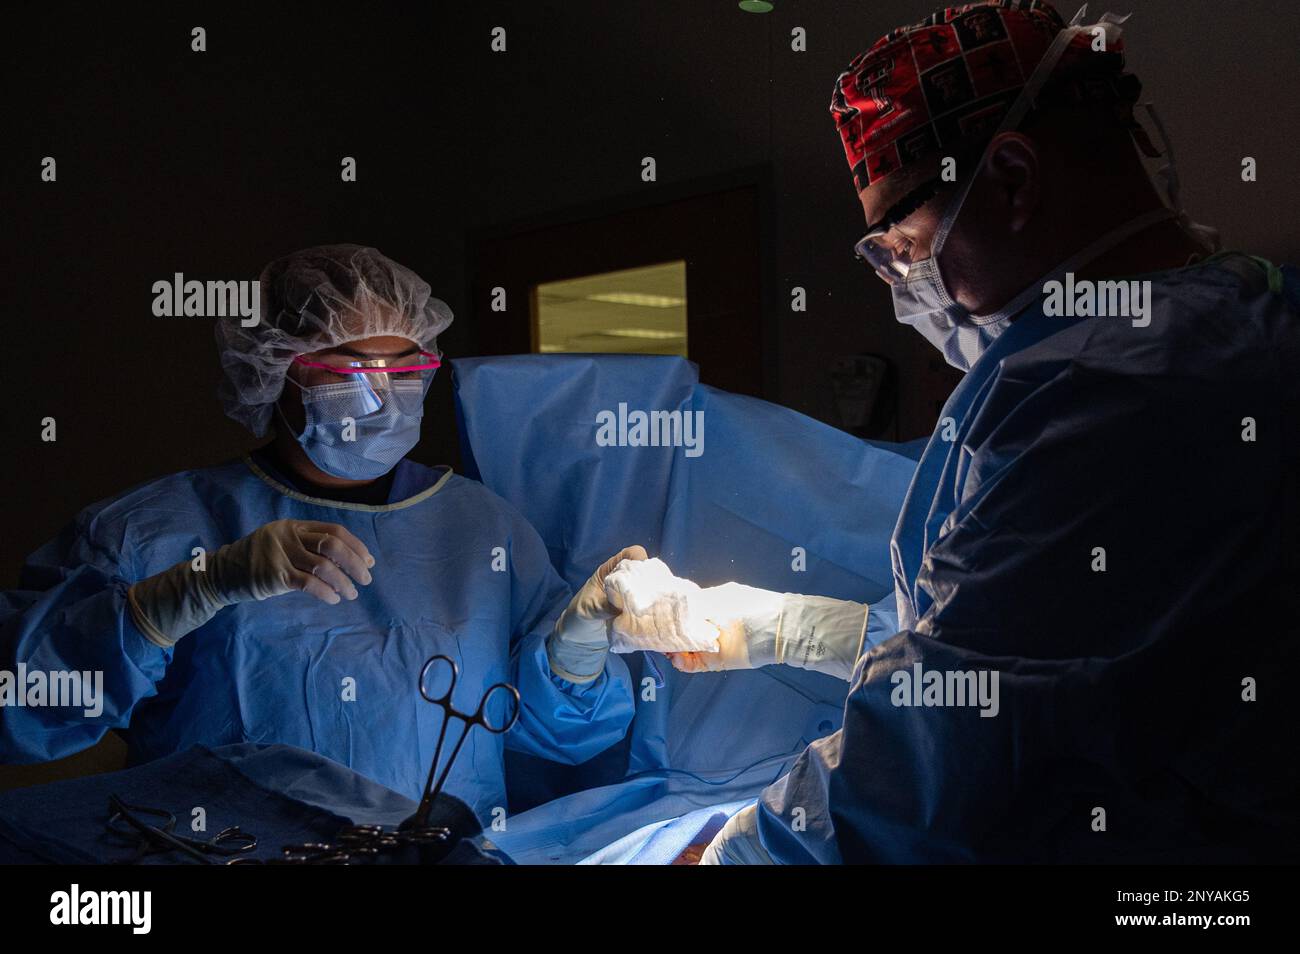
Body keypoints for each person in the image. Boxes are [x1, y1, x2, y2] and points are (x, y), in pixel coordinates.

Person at [669, 1, 1300, 863]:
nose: (902, 282)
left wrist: (739, 854)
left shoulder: (1112, 387)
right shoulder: (1240, 310)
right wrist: (790, 628)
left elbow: (947, 749)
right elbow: (1038, 628)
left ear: (1010, 177)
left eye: (902, 240)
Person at [0, 244, 639, 824]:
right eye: (350, 373)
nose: (384, 397)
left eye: (406, 368)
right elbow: (19, 709)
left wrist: (576, 653)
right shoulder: (152, 528)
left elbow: (564, 737)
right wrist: (179, 596)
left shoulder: (481, 527)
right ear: (274, 370)